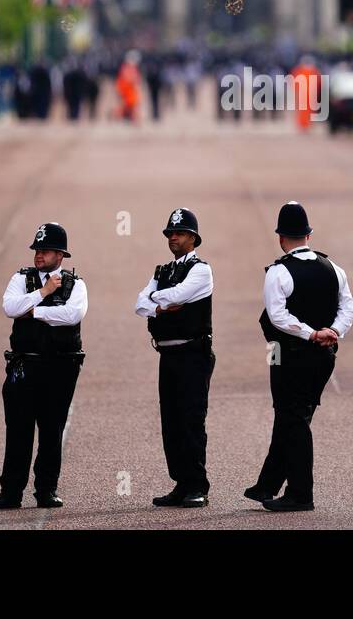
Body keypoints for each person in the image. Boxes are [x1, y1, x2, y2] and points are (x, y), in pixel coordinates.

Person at [247, 201, 353, 512]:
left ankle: (300, 494)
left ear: (281, 237)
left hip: (287, 355)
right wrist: (332, 332)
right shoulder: (334, 268)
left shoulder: (278, 272)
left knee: (292, 418)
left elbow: (277, 315)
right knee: (294, 416)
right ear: (309, 234)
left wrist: (310, 333)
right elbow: (349, 308)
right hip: (324, 356)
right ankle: (267, 483)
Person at [0, 223, 87, 510]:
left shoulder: (76, 284)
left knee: (52, 429)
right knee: (18, 429)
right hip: (24, 366)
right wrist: (42, 293)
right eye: (36, 250)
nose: (38, 255)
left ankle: (46, 490)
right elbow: (9, 308)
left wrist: (34, 311)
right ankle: (10, 492)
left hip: (60, 368)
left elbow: (73, 314)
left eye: (44, 250)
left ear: (60, 254)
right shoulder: (21, 279)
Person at [135, 208, 215, 508]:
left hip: (193, 353)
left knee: (191, 418)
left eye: (179, 233)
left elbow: (178, 296)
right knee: (171, 420)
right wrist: (159, 304)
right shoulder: (162, 271)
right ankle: (181, 483)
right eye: (170, 233)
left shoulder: (201, 269)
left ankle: (197, 486)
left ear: (193, 238)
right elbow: (139, 304)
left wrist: (158, 299)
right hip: (167, 353)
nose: (173, 237)